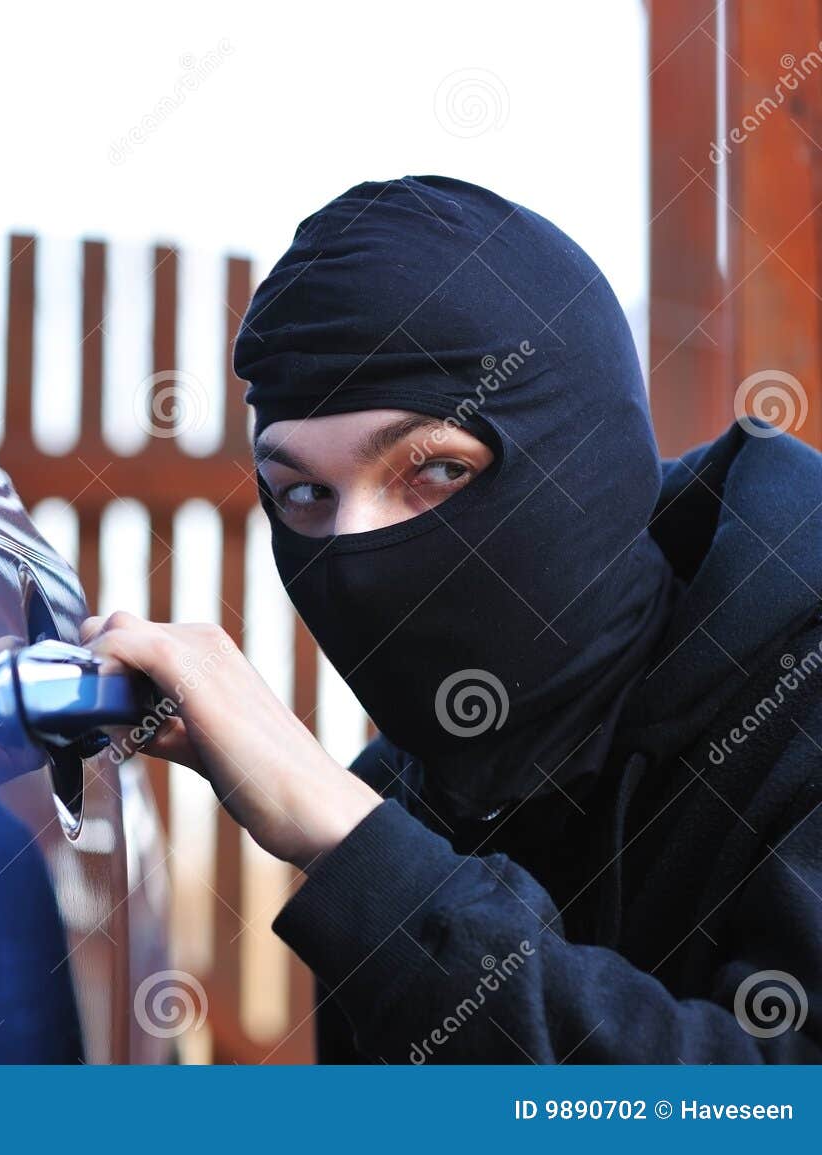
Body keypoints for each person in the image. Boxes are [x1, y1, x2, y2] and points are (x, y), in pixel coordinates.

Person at [86, 176, 822, 1063]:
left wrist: (365, 857)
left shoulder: (800, 708)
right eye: (306, 493)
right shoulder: (397, 804)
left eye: (433, 470)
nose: (355, 554)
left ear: (584, 459)